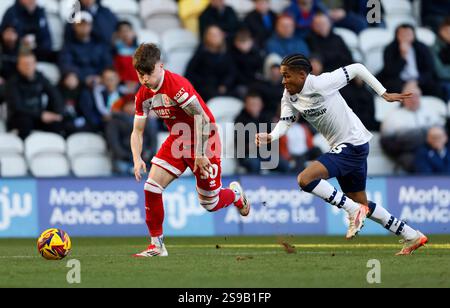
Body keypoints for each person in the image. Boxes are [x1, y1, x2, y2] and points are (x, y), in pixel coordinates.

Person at [255, 54, 428, 255]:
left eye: (287, 76)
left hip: (352, 144)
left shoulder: (322, 83)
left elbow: (357, 68)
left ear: (302, 75)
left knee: (305, 179)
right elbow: (286, 121)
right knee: (361, 202)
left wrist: (383, 93)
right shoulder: (289, 96)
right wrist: (272, 136)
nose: (283, 81)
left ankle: (352, 211)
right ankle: (411, 234)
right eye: (282, 76)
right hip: (351, 145)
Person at [131, 44, 250, 257]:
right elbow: (137, 131)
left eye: (149, 73)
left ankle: (234, 195)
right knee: (151, 187)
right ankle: (156, 246)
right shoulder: (143, 95)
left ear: (161, 66)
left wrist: (200, 153)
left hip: (205, 138)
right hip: (178, 139)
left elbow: (202, 119)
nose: (145, 79)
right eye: (141, 75)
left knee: (210, 203)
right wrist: (137, 158)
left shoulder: (177, 85)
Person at [5, 51, 63, 139]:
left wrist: (57, 113)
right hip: (20, 117)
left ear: (35, 64)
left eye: (30, 63)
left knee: (56, 123)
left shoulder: (40, 77)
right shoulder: (12, 82)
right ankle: (24, 149)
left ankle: (51, 148)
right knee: (25, 121)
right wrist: (40, 115)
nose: (28, 67)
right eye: (25, 64)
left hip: (38, 116)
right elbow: (17, 107)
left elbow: (54, 94)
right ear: (18, 66)